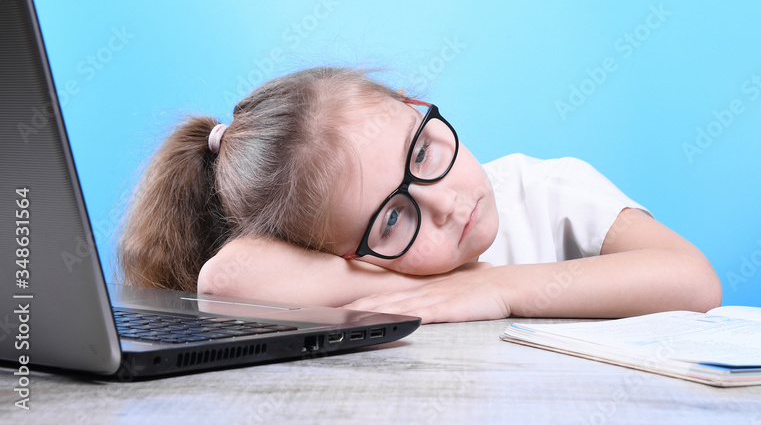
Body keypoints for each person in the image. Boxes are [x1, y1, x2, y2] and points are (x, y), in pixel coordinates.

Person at [116, 67, 721, 323]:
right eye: (392, 221)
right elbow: (229, 276)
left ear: (412, 103)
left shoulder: (546, 190)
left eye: (423, 152)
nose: (446, 204)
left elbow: (692, 279)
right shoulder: (379, 279)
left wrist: (494, 288)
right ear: (343, 255)